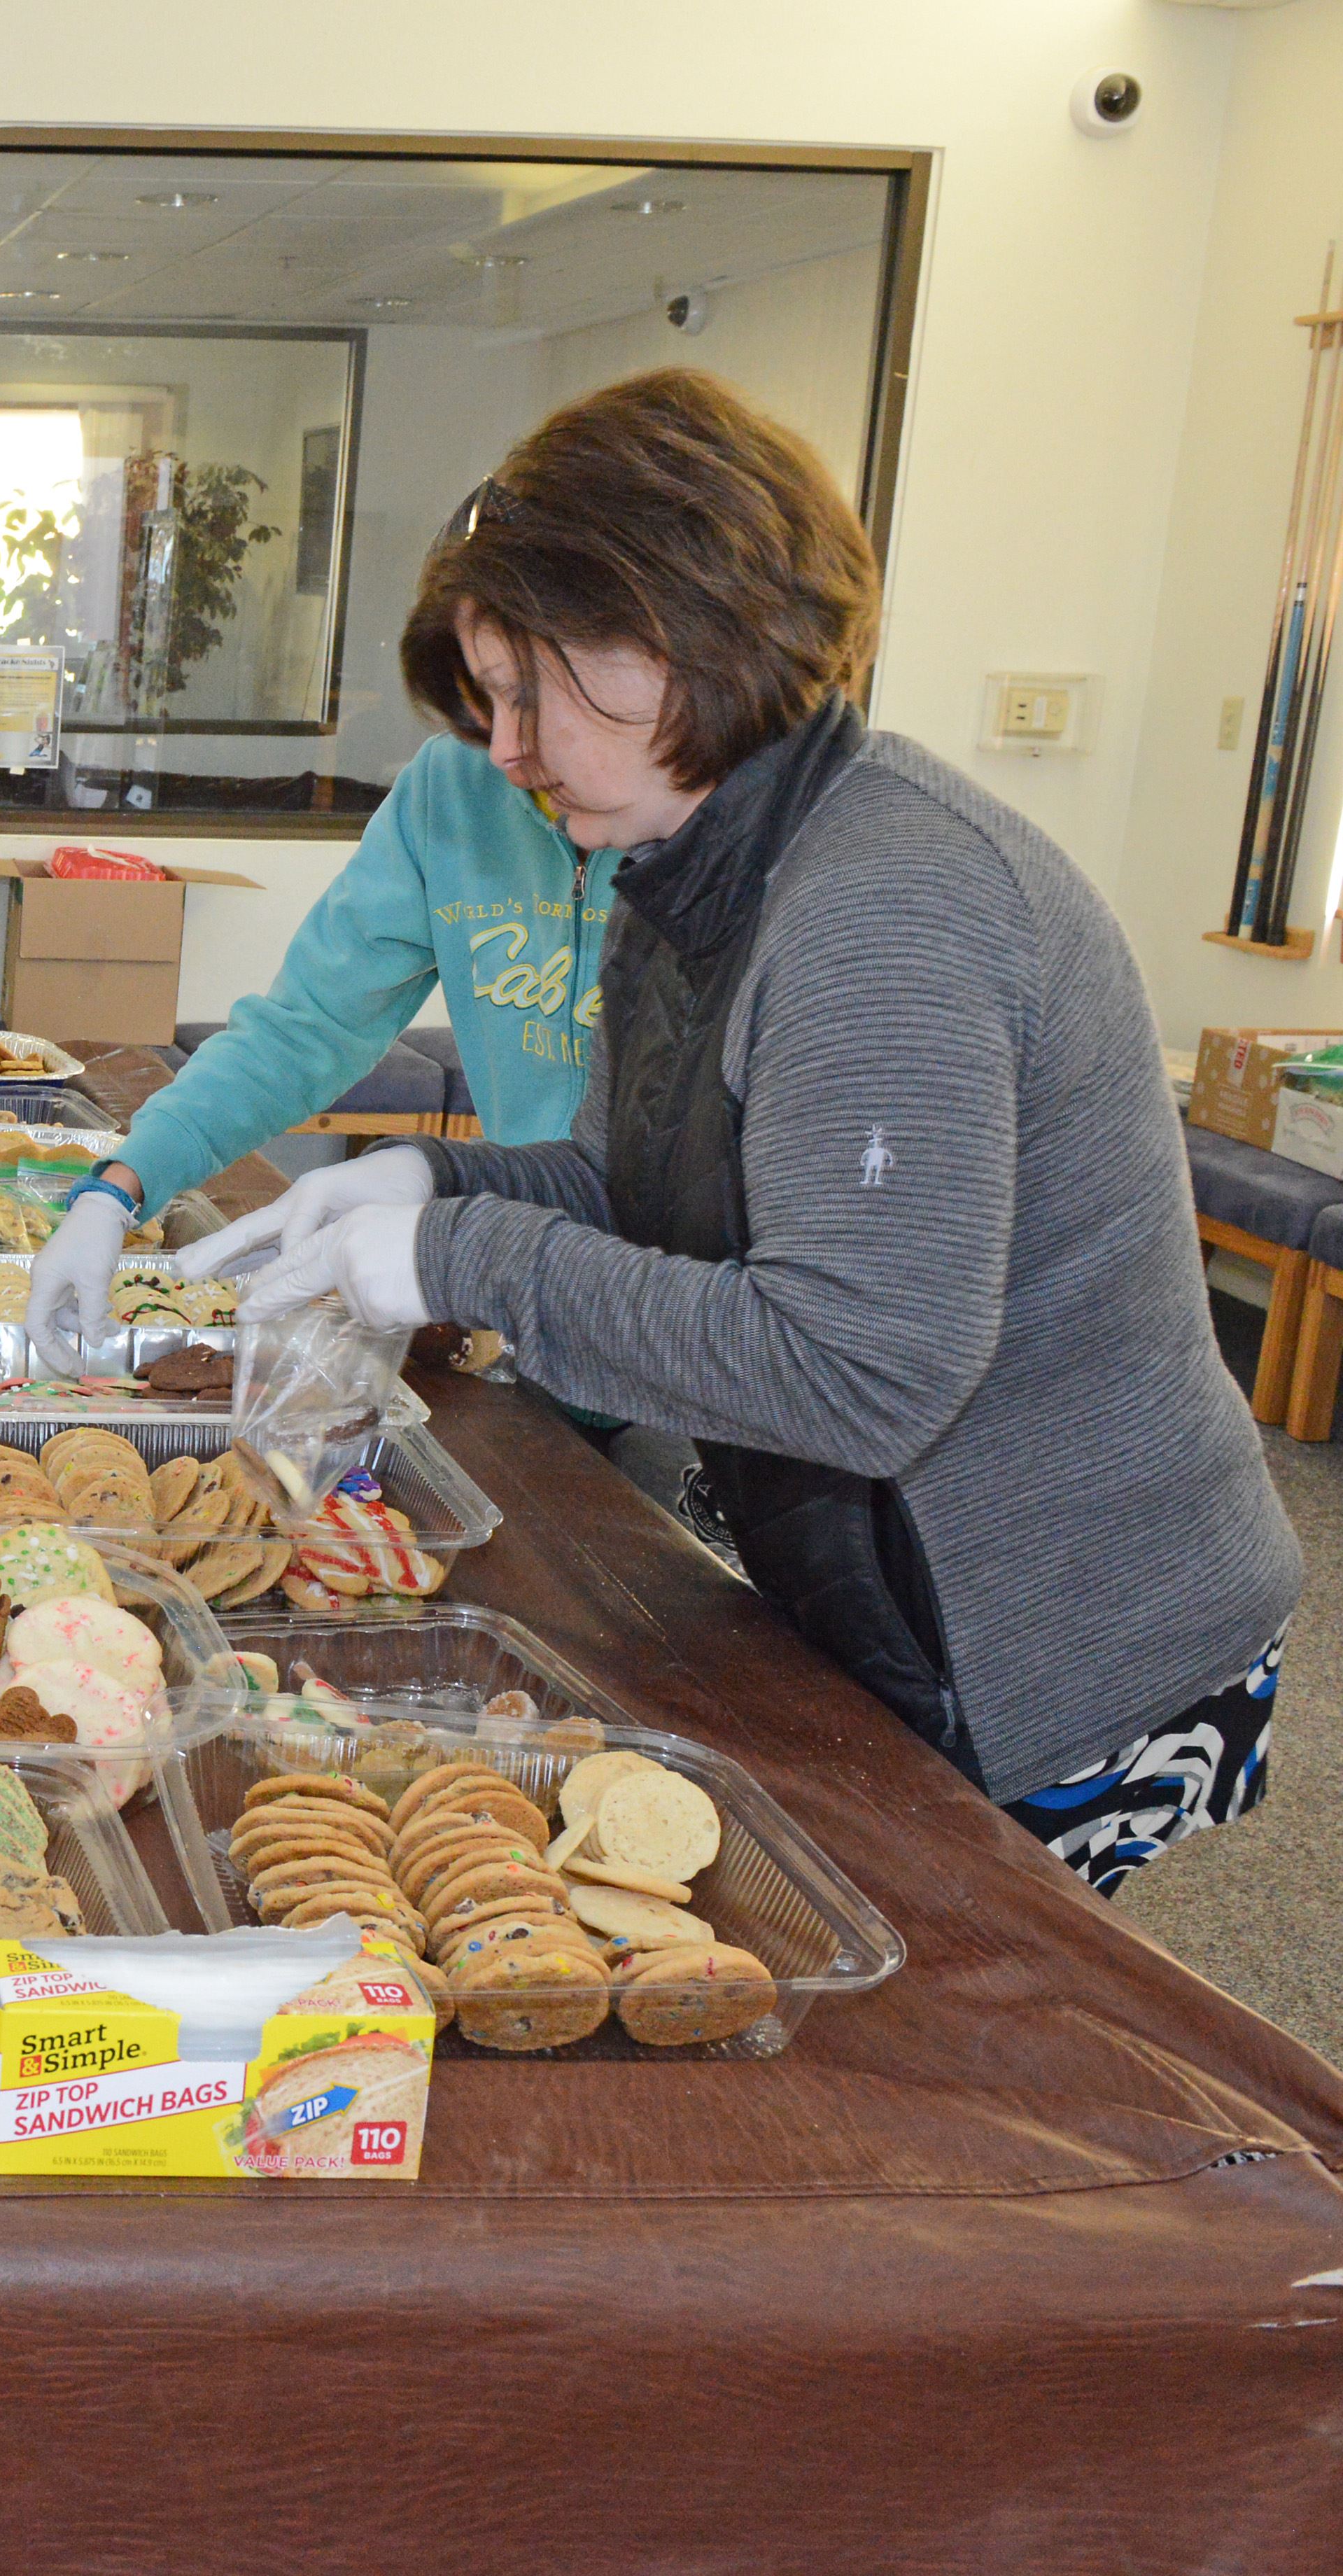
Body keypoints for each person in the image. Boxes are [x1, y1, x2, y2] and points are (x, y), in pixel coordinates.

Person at [219, 369, 1298, 1891]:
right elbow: (629, 1177)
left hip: (1045, 1635)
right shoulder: (691, 860)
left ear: (671, 641)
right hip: (879, 1574)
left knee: (954, 2048)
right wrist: (427, 1175)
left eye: (527, 693)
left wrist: (457, 1251)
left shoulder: (884, 904)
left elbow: (855, 1366)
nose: (508, 751)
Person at [26, 520, 621, 1371]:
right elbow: (304, 1027)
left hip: (670, 1345)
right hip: (522, 1303)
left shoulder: (744, 845)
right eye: (485, 701)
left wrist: (442, 1211)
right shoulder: (452, 787)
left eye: (529, 697)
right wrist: (117, 1186)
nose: (505, 750)